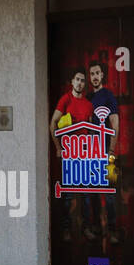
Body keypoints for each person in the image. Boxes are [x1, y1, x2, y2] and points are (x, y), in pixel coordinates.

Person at [50, 70, 94, 242]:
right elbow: (53, 123)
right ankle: (67, 229)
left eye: (83, 81)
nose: (80, 83)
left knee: (87, 194)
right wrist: (58, 147)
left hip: (84, 153)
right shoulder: (65, 99)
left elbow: (90, 130)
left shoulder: (88, 104)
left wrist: (91, 150)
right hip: (69, 153)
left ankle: (86, 228)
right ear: (72, 82)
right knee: (68, 195)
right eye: (77, 80)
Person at [85, 59, 120, 242]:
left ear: (102, 75)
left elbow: (115, 122)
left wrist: (111, 150)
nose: (95, 77)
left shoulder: (108, 96)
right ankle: (97, 229)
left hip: (107, 153)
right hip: (92, 153)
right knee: (93, 194)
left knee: (110, 193)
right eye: (92, 74)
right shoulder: (88, 98)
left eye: (97, 73)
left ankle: (113, 231)